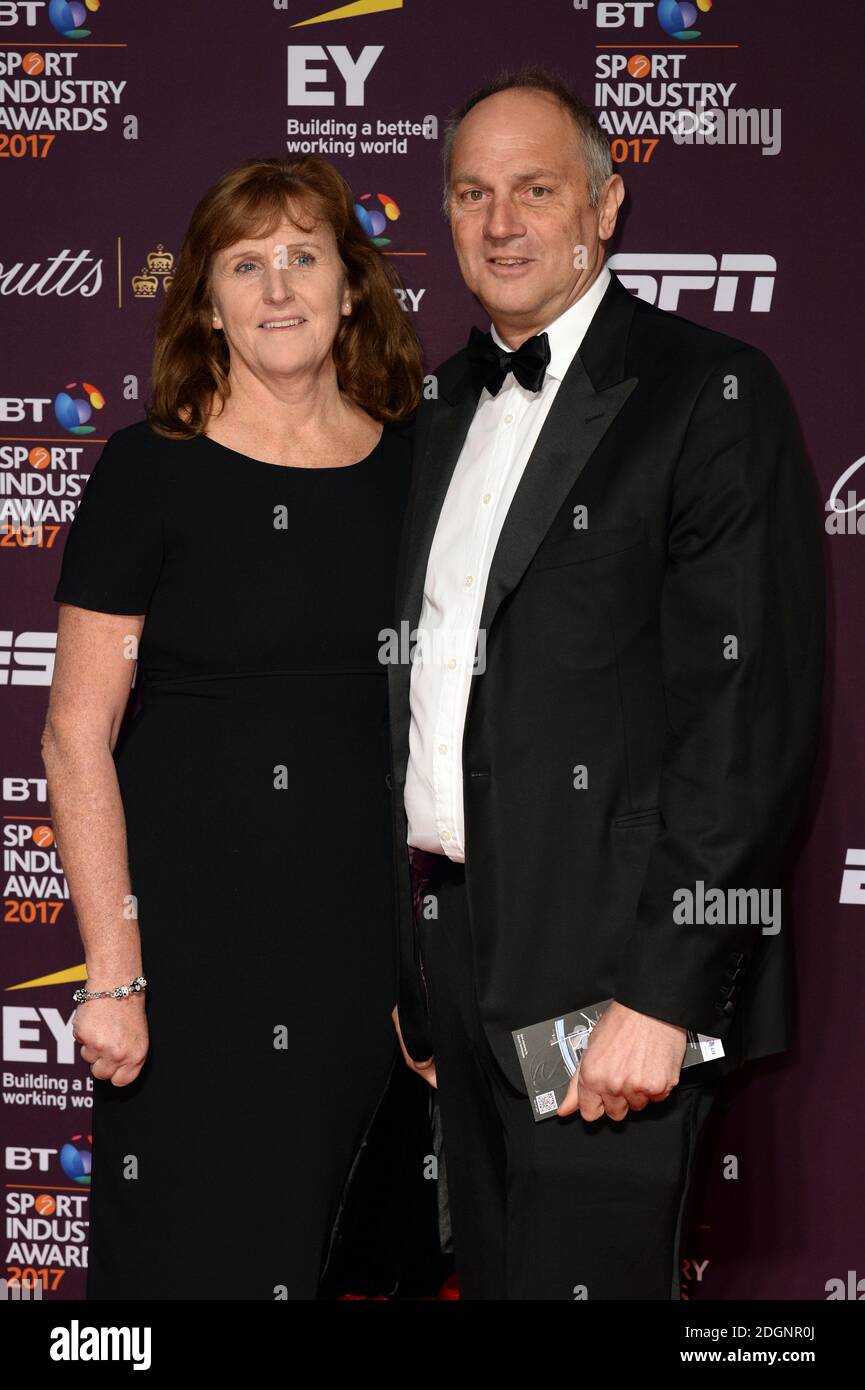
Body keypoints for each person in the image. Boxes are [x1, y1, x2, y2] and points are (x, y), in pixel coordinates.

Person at [389, 68, 825, 1300]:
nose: (501, 221)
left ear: (605, 204)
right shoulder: (438, 408)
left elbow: (750, 721)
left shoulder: (707, 394)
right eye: (471, 193)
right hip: (459, 962)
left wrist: (665, 995)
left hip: (613, 973)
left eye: (535, 188)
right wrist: (417, 974)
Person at [42, 155, 423, 1300]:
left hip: (358, 959)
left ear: (351, 285)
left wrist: (441, 977)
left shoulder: (416, 468)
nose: (277, 287)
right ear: (206, 300)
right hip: (187, 960)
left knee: (342, 1257)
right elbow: (74, 735)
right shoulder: (148, 471)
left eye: (304, 255)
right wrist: (114, 971)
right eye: (245, 264)